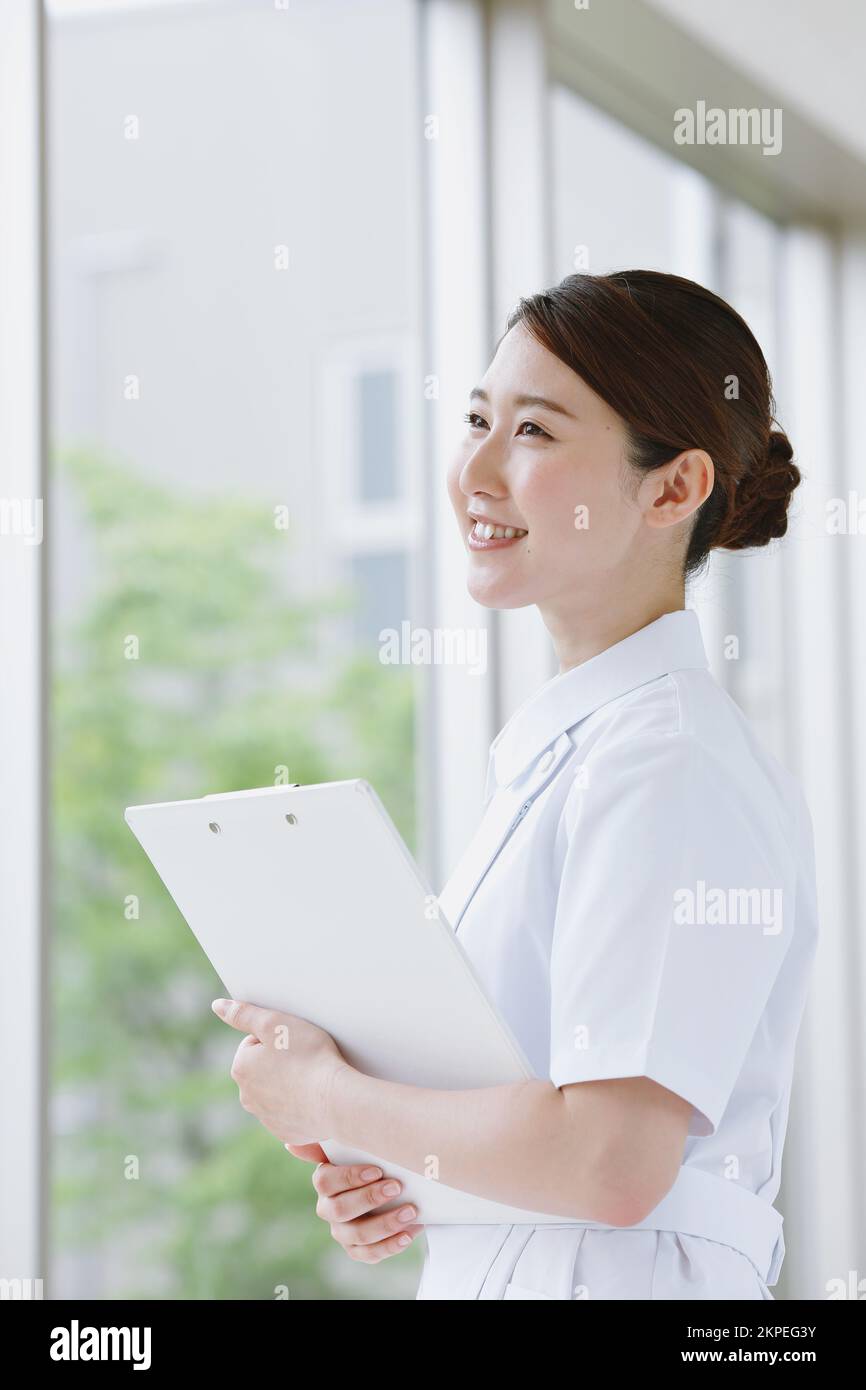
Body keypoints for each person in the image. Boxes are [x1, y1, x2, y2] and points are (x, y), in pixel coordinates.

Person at [213, 270, 819, 1300]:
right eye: (476, 420)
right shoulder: (579, 756)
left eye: (533, 433)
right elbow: (546, 1133)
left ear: (670, 489)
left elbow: (610, 1161)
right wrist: (402, 1172)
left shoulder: (661, 760)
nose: (473, 471)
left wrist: (328, 1094)